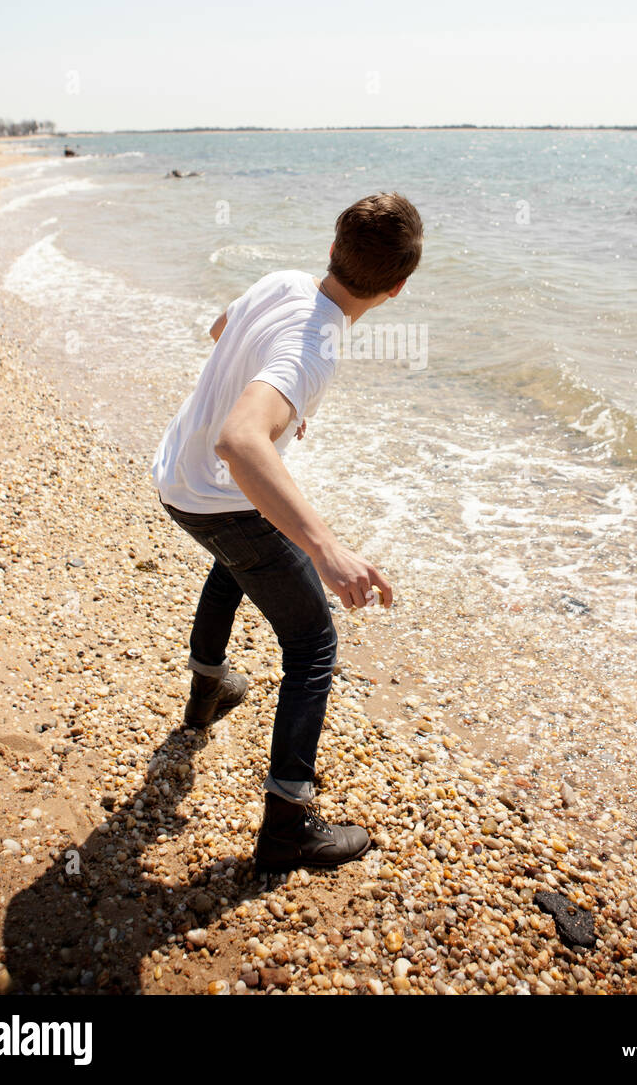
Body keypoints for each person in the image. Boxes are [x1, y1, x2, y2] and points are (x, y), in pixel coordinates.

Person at [152, 191, 424, 871]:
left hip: (175, 480)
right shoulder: (319, 347)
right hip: (217, 494)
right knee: (312, 643)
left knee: (236, 562)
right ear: (397, 288)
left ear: (333, 249)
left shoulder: (282, 283)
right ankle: (287, 826)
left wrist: (260, 385)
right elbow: (242, 440)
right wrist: (326, 548)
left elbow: (221, 330)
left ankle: (206, 693)